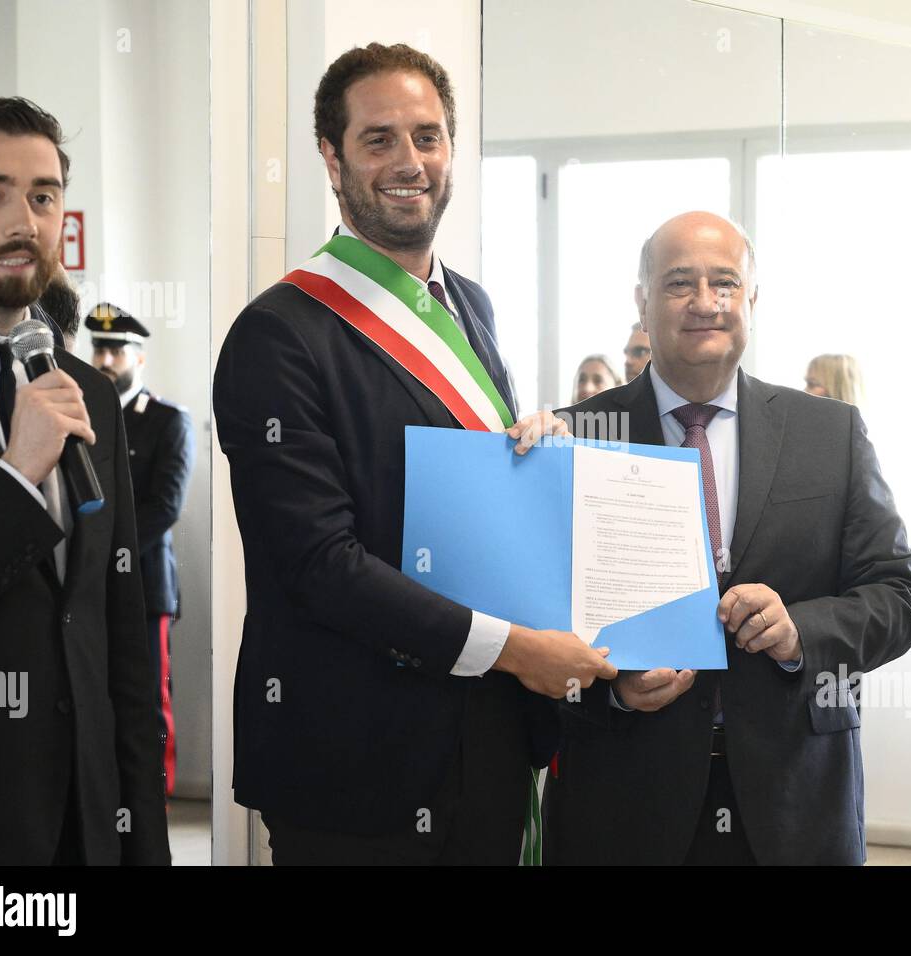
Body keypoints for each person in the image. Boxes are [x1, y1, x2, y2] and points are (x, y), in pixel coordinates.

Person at [213, 43, 615, 865]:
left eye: (428, 138)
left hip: (491, 742)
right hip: (356, 762)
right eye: (379, 139)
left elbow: (472, 511)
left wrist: (539, 462)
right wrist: (521, 650)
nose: (409, 162)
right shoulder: (277, 333)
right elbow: (319, 565)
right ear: (332, 157)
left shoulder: (472, 305)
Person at [542, 211, 911, 865]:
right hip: (623, 800)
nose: (704, 303)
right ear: (642, 301)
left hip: (794, 804)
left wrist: (801, 630)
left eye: (723, 283)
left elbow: (899, 598)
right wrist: (607, 685)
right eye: (678, 284)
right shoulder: (576, 437)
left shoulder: (830, 434)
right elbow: (534, 623)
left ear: (751, 297)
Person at [0, 96, 168, 864]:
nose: (22, 221)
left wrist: (142, 839)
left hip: (86, 821)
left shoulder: (85, 389)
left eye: (42, 196)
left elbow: (118, 636)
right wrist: (15, 476)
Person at [87, 302, 195, 798]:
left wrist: (106, 553)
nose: (105, 360)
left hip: (144, 587)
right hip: (84, 587)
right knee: (92, 696)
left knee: (148, 700)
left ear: (139, 358)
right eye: (98, 348)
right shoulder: (80, 416)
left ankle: (153, 804)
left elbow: (165, 507)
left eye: (115, 350)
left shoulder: (168, 420)